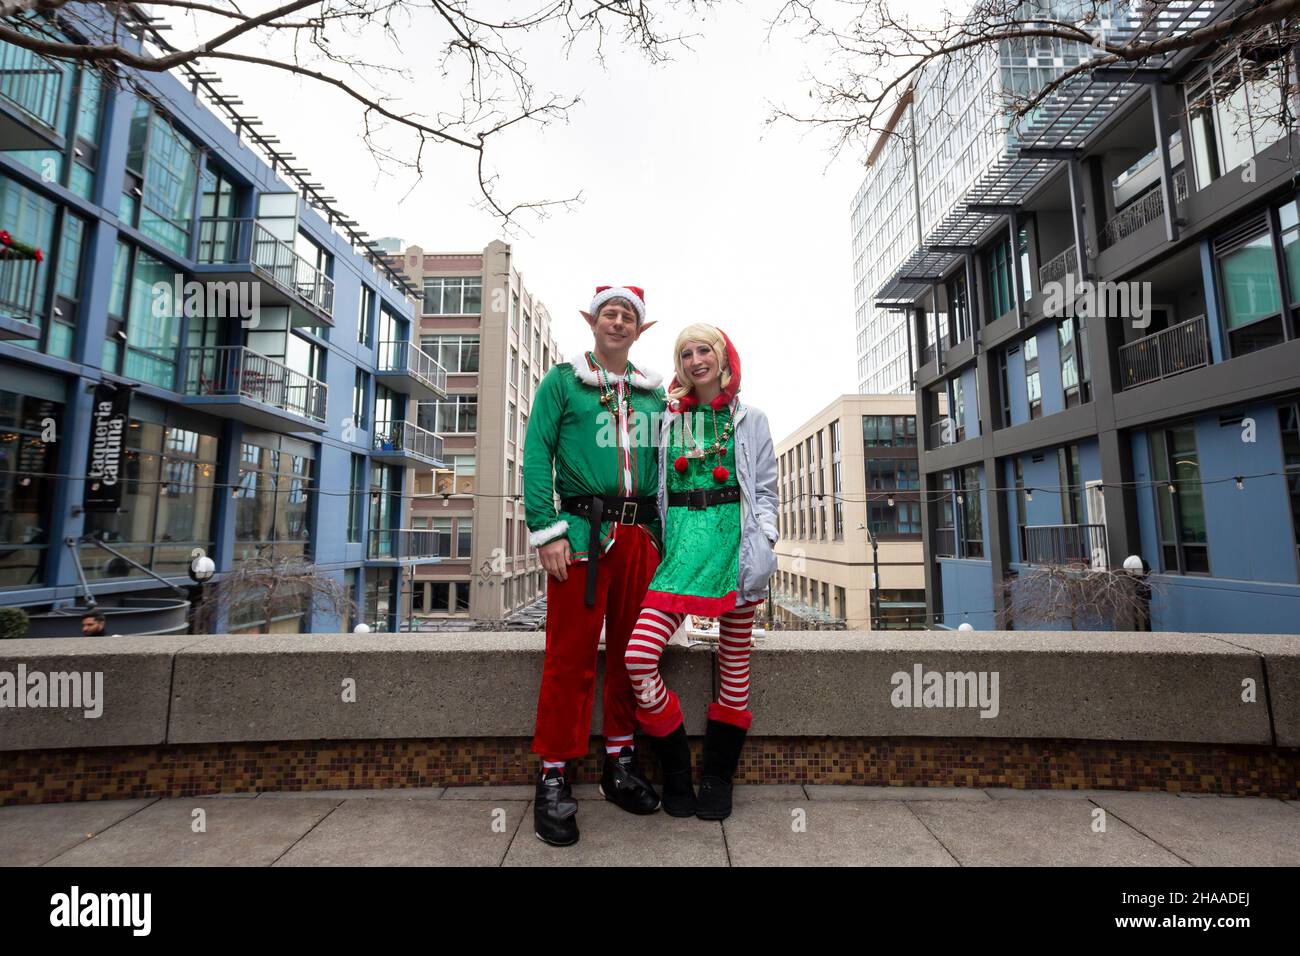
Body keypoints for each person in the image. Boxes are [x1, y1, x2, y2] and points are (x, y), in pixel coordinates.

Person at [523, 285, 668, 847]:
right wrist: (547, 531)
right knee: (569, 656)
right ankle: (554, 775)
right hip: (580, 537)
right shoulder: (562, 381)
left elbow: (673, 466)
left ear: (640, 329)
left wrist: (666, 541)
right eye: (609, 312)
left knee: (636, 654)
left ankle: (619, 762)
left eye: (627, 315)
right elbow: (537, 454)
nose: (617, 320)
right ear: (592, 321)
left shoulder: (655, 397)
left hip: (641, 538)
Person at [624, 324, 779, 821]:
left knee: (735, 668)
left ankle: (716, 777)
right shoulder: (668, 420)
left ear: (723, 356)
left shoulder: (751, 419)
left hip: (736, 552)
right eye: (685, 353)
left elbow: (769, 490)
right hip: (682, 555)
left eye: (704, 350)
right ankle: (674, 771)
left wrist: (767, 537)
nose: (695, 359)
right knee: (637, 656)